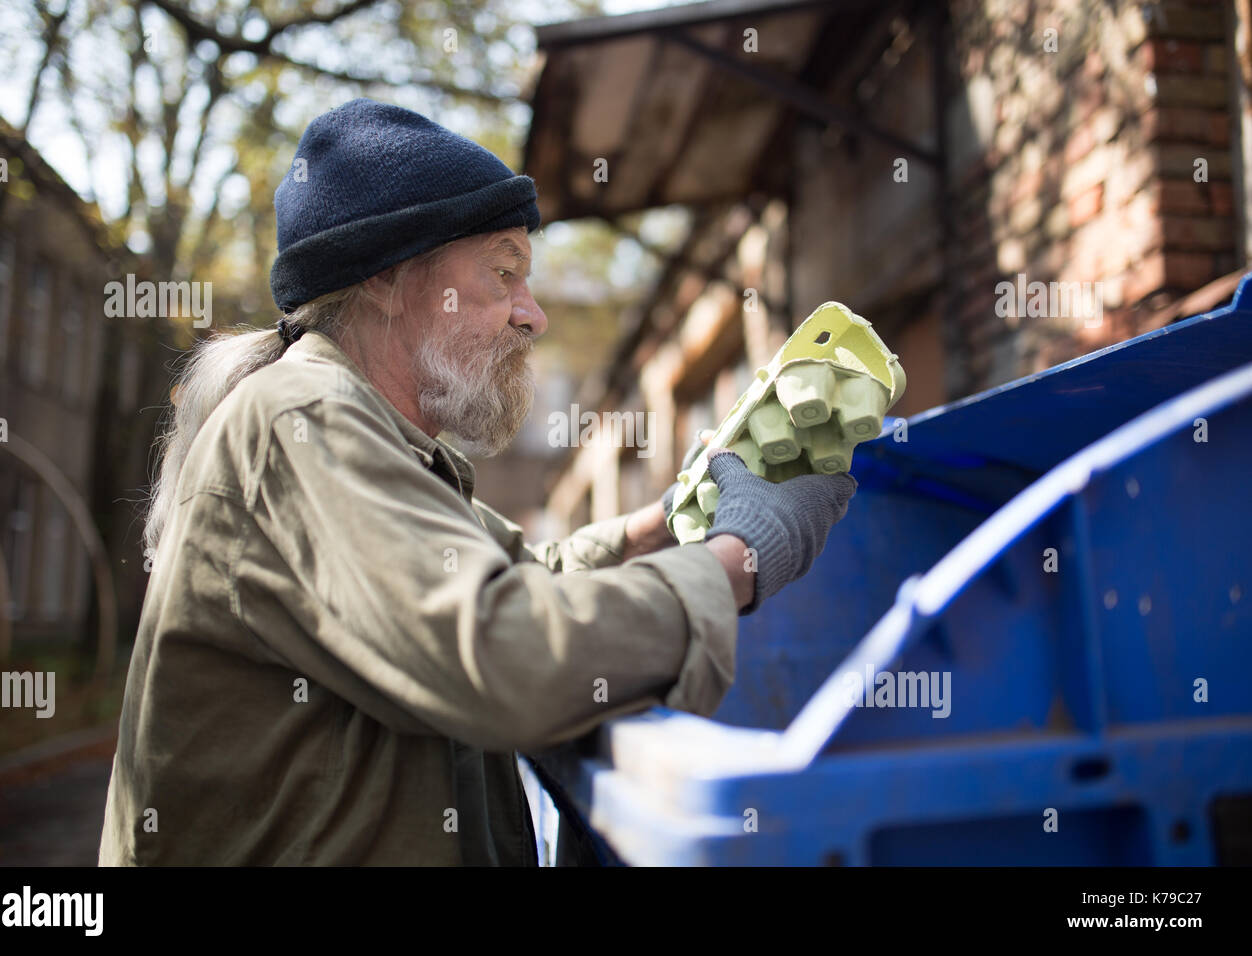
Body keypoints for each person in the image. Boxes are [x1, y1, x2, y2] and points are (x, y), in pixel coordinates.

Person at [97, 98, 856, 865]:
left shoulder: (380, 445)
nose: (534, 317)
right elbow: (506, 650)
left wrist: (668, 520)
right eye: (504, 274)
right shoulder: (299, 418)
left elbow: (530, 579)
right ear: (390, 278)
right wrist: (740, 560)